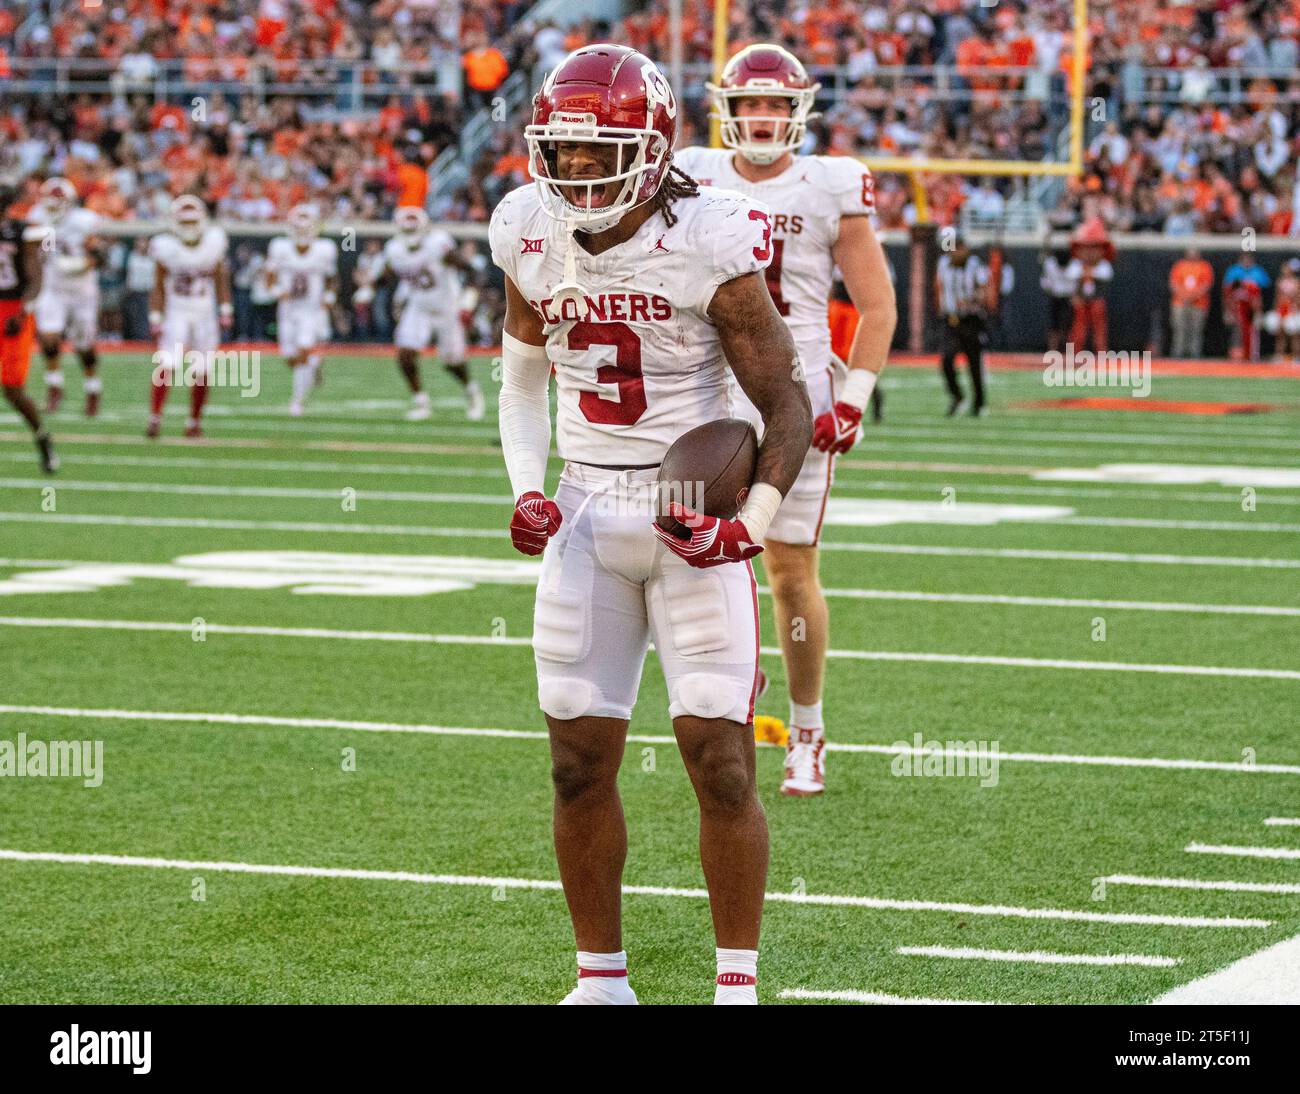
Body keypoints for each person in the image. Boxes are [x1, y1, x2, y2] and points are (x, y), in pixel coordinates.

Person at [489, 44, 811, 1005]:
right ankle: (600, 981)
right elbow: (520, 377)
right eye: (564, 152)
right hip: (587, 503)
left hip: (687, 514)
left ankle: (737, 987)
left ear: (654, 143)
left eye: (600, 154)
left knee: (719, 762)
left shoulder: (710, 234)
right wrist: (524, 486)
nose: (579, 172)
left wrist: (750, 521)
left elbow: (784, 400)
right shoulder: (525, 226)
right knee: (574, 765)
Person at [675, 42, 895, 796]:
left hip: (796, 390)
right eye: (750, 104)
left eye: (775, 103)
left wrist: (854, 398)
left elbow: (877, 305)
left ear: (798, 111)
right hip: (706, 387)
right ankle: (726, 705)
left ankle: (808, 731)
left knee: (790, 570)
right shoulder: (694, 173)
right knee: (699, 556)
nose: (763, 117)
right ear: (727, 110)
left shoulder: (830, 184)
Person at [359, 206, 481, 421]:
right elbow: (387, 277)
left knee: (452, 362)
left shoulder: (437, 244)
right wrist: (368, 290)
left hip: (447, 307)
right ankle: (420, 401)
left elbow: (470, 270)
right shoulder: (394, 249)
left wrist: (468, 302)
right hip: (418, 306)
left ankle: (471, 390)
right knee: (405, 354)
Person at [145, 195, 232, 439]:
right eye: (184, 222)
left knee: (203, 369)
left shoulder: (214, 242)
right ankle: (155, 417)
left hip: (204, 311)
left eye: (193, 221)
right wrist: (155, 316)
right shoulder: (166, 246)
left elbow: (220, 278)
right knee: (167, 363)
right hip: (177, 311)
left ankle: (194, 421)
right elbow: (158, 285)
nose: (189, 227)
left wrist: (226, 309)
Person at [28, 177, 104, 415]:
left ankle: (93, 389)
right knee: (49, 339)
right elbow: (35, 252)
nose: (53, 206)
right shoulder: (37, 216)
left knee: (84, 346)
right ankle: (55, 387)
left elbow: (100, 254)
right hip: (52, 286)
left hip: (82, 289)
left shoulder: (84, 220)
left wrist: (85, 263)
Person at [0, 182, 57, 472]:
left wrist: (23, 312)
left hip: (13, 312)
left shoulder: (22, 232)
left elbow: (35, 279)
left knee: (12, 389)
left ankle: (42, 438)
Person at [262, 205, 337, 416]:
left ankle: (297, 401)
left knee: (304, 350)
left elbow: (332, 278)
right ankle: (313, 366)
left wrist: (329, 296)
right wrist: (277, 291)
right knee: (290, 358)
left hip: (311, 310)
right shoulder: (279, 247)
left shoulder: (325, 248)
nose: (303, 232)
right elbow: (268, 276)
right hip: (287, 310)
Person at [935, 234, 990, 416]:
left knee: (974, 363)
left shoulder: (975, 265)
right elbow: (940, 287)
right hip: (950, 320)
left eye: (958, 247)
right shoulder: (943, 264)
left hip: (971, 320)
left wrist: (970, 301)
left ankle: (979, 403)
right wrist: (941, 307)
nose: (955, 252)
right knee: (946, 360)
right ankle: (957, 396)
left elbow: (984, 291)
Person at [1066, 217, 1114, 353]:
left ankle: (1101, 353)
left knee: (1099, 329)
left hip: (1096, 301)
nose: (1090, 252)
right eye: (1087, 247)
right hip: (1081, 302)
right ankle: (1074, 354)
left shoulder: (1103, 266)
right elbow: (1072, 280)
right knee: (1078, 329)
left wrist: (1089, 273)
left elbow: (1105, 278)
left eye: (1094, 247)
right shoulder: (1076, 265)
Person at [1222, 251, 1270, 362]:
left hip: (1250, 311)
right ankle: (1236, 355)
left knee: (1252, 332)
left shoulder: (1253, 283)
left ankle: (1252, 355)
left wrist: (1258, 313)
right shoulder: (1233, 277)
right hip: (1237, 311)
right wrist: (1228, 311)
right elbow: (1227, 296)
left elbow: (1259, 297)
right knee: (1236, 333)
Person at [1168, 247, 1213, 358]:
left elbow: (1206, 285)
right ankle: (1177, 354)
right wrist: (1184, 297)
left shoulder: (1204, 266)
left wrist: (1193, 297)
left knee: (1196, 330)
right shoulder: (1180, 266)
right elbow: (1173, 284)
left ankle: (1194, 355)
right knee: (1179, 329)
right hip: (1180, 303)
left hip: (1199, 304)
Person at [1039, 241, 1076, 354]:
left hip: (1069, 298)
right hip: (1056, 297)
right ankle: (1053, 350)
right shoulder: (1050, 264)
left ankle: (1067, 351)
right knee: (1054, 326)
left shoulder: (1075, 266)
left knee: (1068, 327)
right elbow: (1045, 281)